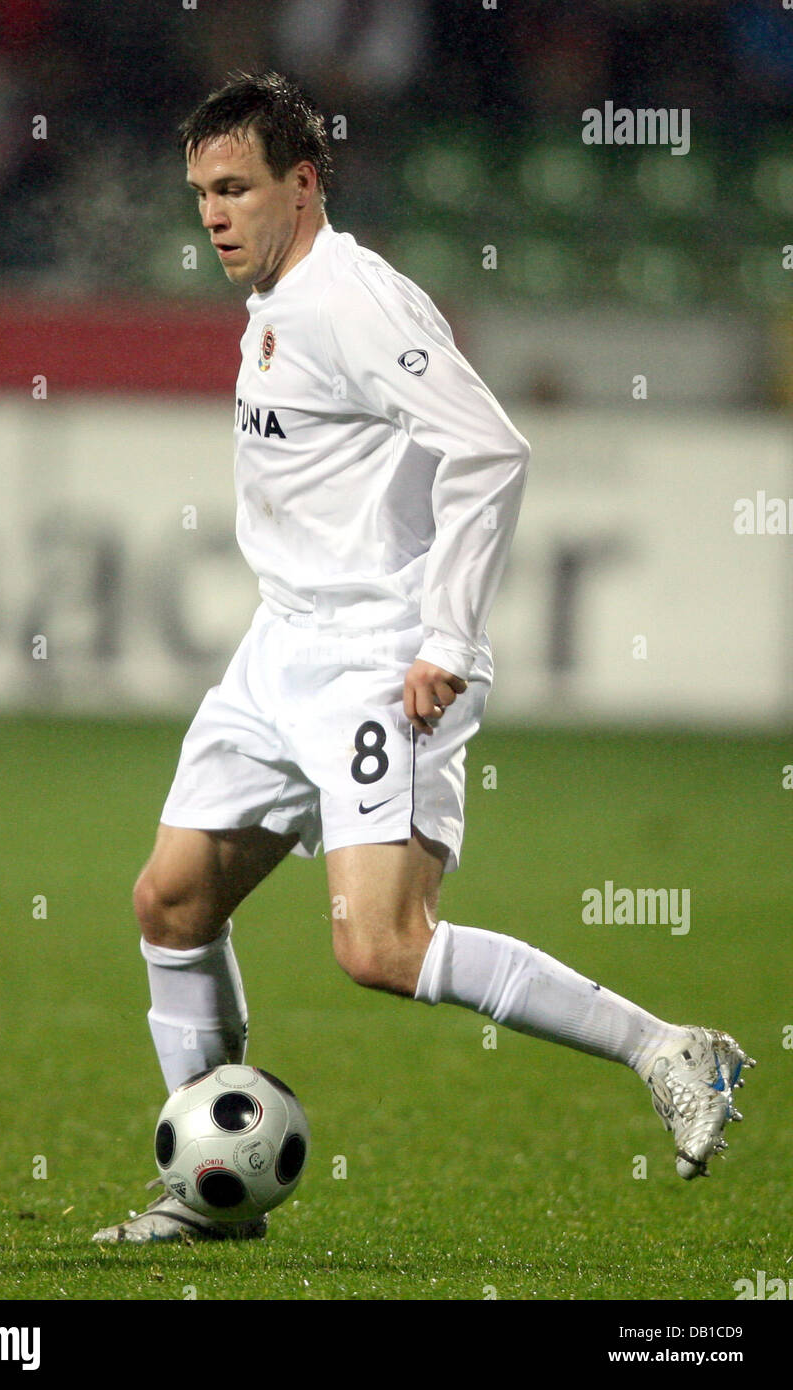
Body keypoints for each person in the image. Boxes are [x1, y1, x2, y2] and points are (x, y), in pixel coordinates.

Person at [93, 72, 754, 1244]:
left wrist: (443, 636)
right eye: (200, 191)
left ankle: (670, 1050)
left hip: (375, 655)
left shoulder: (355, 301)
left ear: (304, 183)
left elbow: (490, 450)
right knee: (172, 899)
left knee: (381, 945)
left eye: (236, 187)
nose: (213, 214)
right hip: (277, 649)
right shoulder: (279, 299)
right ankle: (206, 1194)